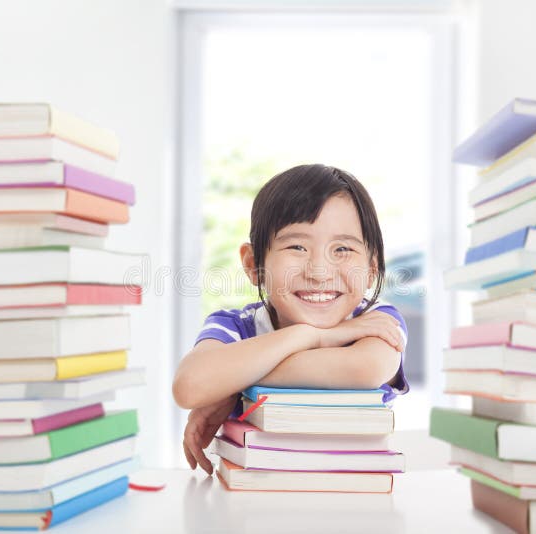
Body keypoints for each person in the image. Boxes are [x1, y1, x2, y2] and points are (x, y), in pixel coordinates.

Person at [172, 163, 409, 474]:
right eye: (296, 246)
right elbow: (190, 386)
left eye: (342, 249)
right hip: (254, 495)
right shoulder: (236, 325)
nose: (319, 272)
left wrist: (232, 384)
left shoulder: (374, 319)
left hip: (353, 492)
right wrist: (311, 336)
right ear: (253, 264)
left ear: (371, 269)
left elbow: (365, 369)